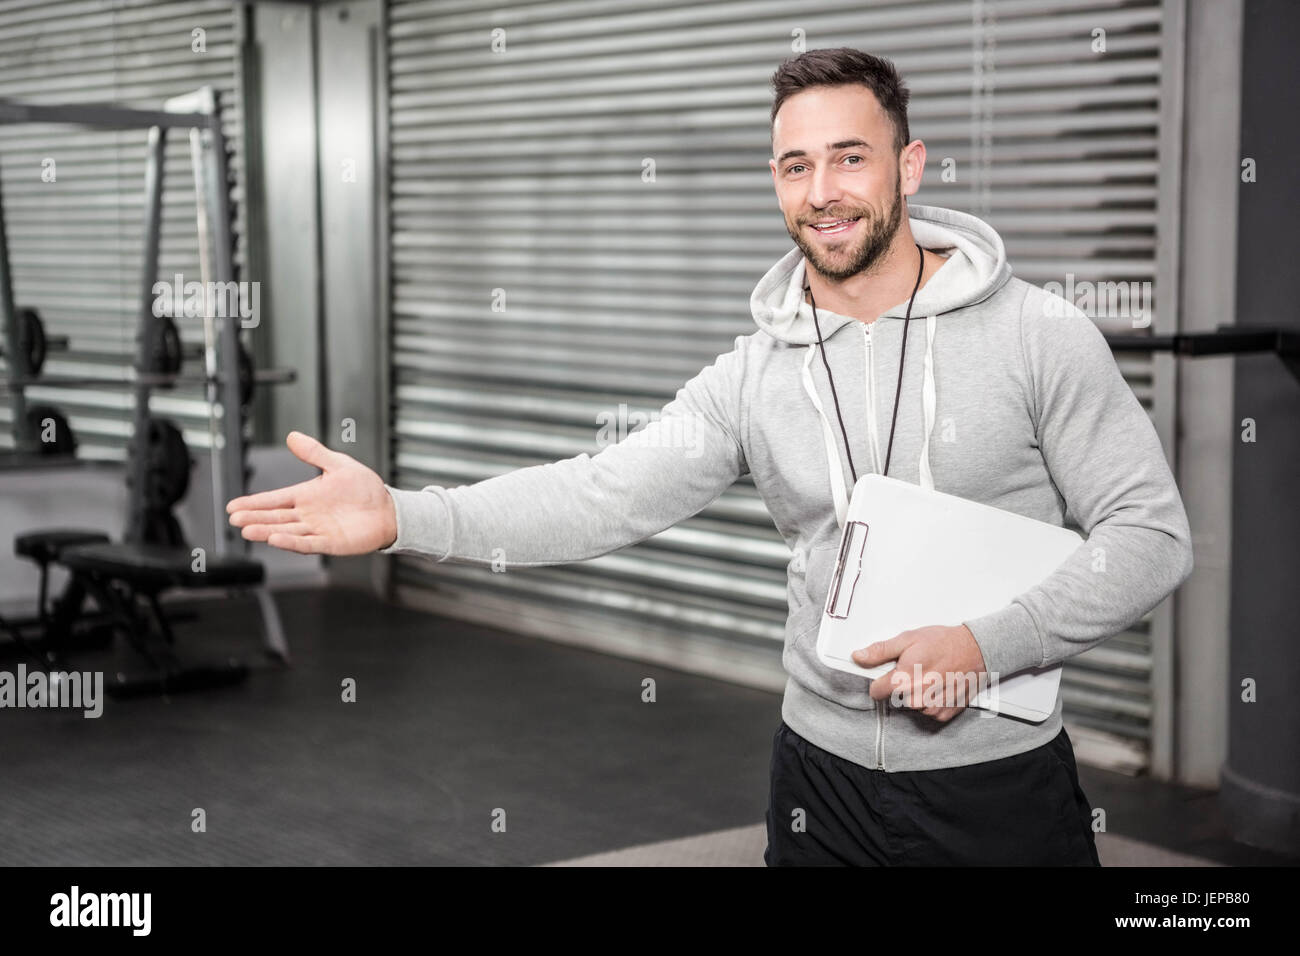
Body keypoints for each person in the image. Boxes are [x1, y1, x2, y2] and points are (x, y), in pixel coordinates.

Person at [227, 48, 1194, 866]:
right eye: (795, 166)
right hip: (819, 782)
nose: (823, 193)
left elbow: (1151, 536)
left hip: (997, 785)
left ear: (909, 167)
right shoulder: (754, 374)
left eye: (850, 158)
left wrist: (987, 645)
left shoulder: (1037, 335)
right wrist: (404, 515)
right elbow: (604, 494)